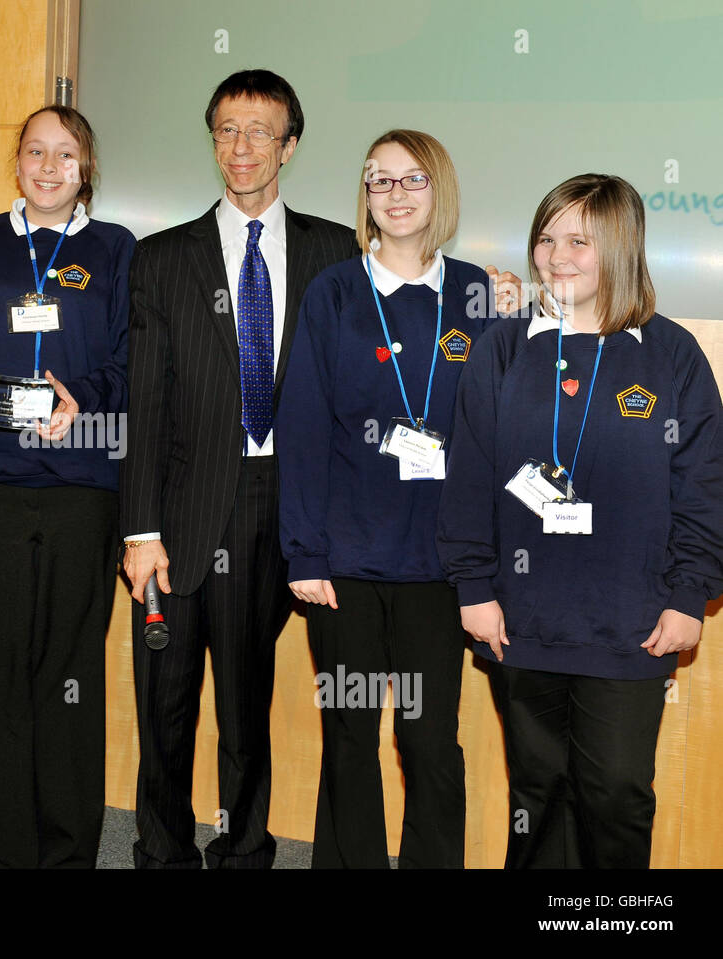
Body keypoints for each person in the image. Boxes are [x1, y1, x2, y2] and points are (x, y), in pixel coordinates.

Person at [437, 173, 723, 868]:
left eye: (578, 241)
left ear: (621, 247)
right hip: (523, 620)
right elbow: (469, 476)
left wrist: (691, 595)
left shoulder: (672, 355)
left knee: (618, 791)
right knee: (537, 790)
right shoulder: (502, 349)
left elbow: (704, 487)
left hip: (633, 625)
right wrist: (473, 587)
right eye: (546, 238)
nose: (555, 255)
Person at [121, 68, 358, 869]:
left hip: (279, 505)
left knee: (245, 702)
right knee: (166, 701)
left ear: (289, 146)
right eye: (227, 128)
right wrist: (139, 530)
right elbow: (144, 403)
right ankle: (162, 849)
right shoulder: (161, 258)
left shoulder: (335, 251)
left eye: (261, 131)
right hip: (182, 506)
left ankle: (248, 847)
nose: (242, 146)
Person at [277, 129, 495, 868]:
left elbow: (503, 433)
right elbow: (302, 425)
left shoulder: (478, 295)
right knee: (349, 735)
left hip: (442, 567)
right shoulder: (334, 292)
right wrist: (304, 552)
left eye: (412, 180)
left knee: (429, 739)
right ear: (365, 198)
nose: (395, 195)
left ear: (441, 191)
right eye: (380, 181)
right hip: (346, 568)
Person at [0, 104, 134, 868]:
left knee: (70, 673)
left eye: (66, 156)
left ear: (87, 170)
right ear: (15, 162)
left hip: (83, 486)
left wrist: (83, 395)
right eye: (35, 152)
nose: (49, 169)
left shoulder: (116, 249)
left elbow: (130, 361)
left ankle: (65, 854)